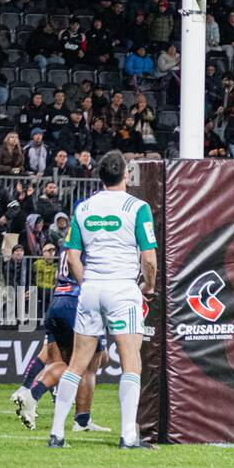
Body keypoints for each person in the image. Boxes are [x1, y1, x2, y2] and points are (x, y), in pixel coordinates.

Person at [46, 150, 158, 449]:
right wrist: (149, 286)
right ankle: (128, 436)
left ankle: (57, 433)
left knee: (77, 362)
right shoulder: (138, 207)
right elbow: (149, 258)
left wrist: (87, 282)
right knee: (131, 361)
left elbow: (71, 256)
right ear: (125, 174)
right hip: (122, 288)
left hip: (92, 288)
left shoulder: (84, 208)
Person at [10, 241, 111, 433]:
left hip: (58, 301)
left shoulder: (72, 238)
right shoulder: (94, 238)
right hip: (77, 303)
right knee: (87, 364)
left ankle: (30, 394)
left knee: (67, 363)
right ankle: (81, 421)